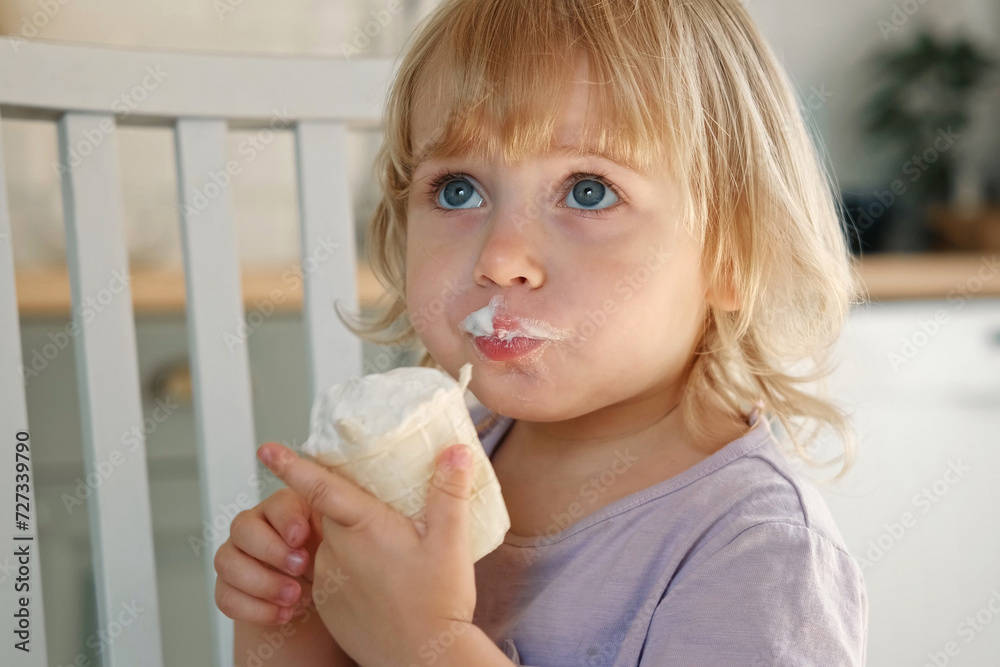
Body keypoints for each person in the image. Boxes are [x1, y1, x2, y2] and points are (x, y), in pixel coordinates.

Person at [214, 0, 870, 664]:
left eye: (588, 191)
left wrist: (424, 644)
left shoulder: (760, 552)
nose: (499, 257)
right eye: (459, 189)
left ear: (733, 253)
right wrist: (293, 613)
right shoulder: (428, 477)